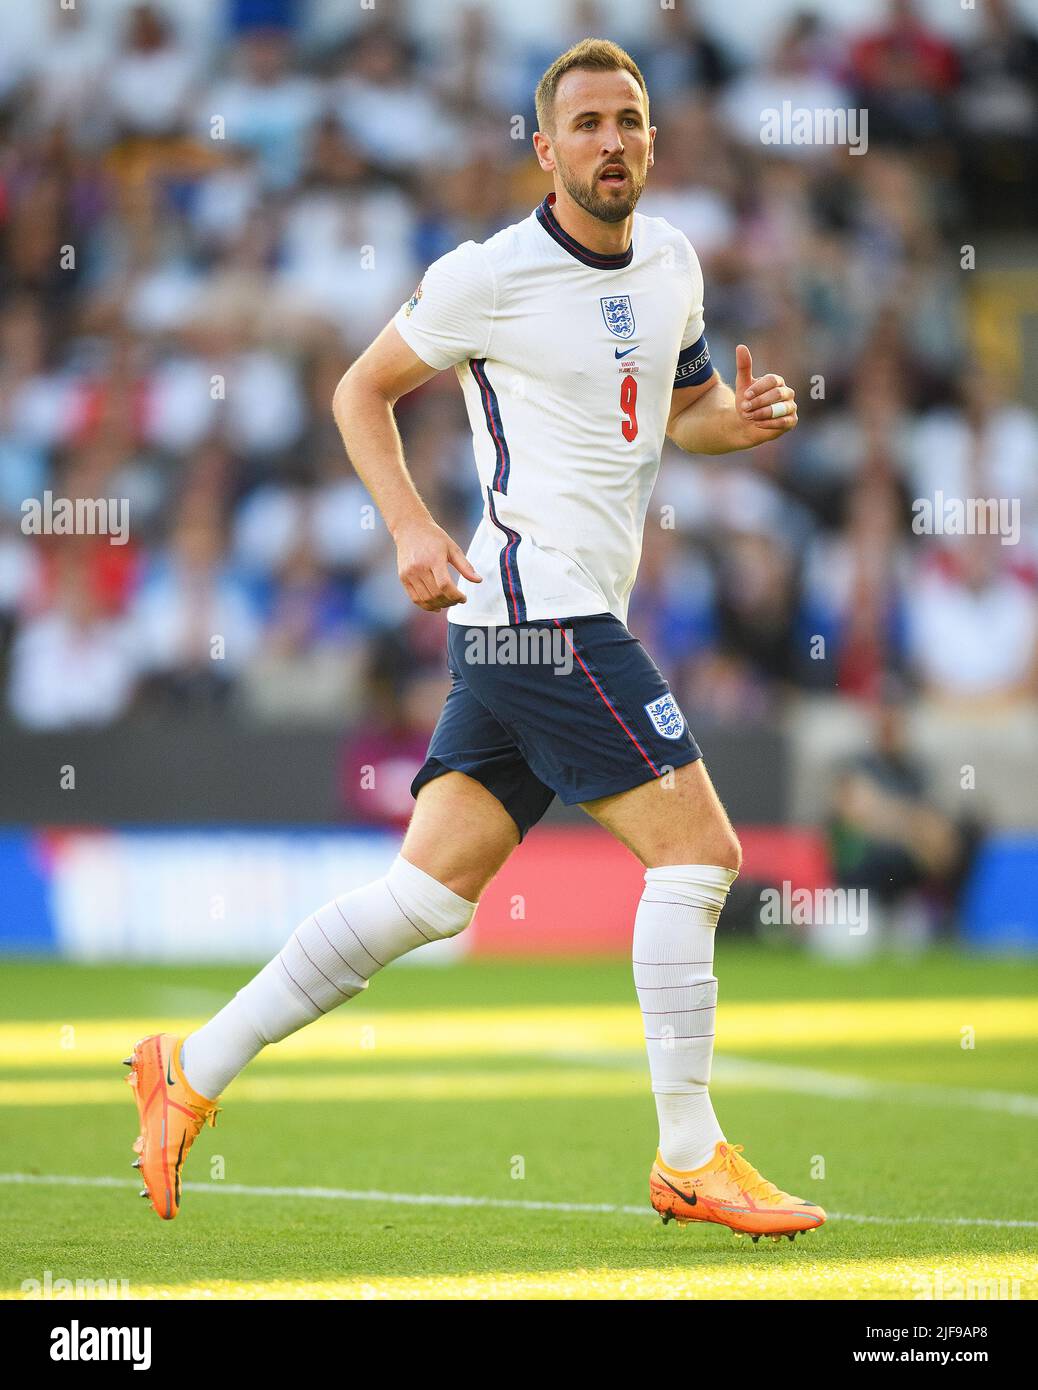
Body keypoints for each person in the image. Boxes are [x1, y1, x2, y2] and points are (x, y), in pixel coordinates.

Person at [125, 39, 824, 1242]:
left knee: (427, 896)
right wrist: (408, 524)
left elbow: (674, 416)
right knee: (700, 853)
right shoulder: (487, 276)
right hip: (539, 612)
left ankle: (186, 1066)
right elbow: (360, 390)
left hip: (529, 626)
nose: (614, 142)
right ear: (545, 149)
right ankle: (689, 1155)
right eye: (588, 124)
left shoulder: (672, 264)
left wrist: (741, 421)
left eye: (632, 120)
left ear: (654, 141)